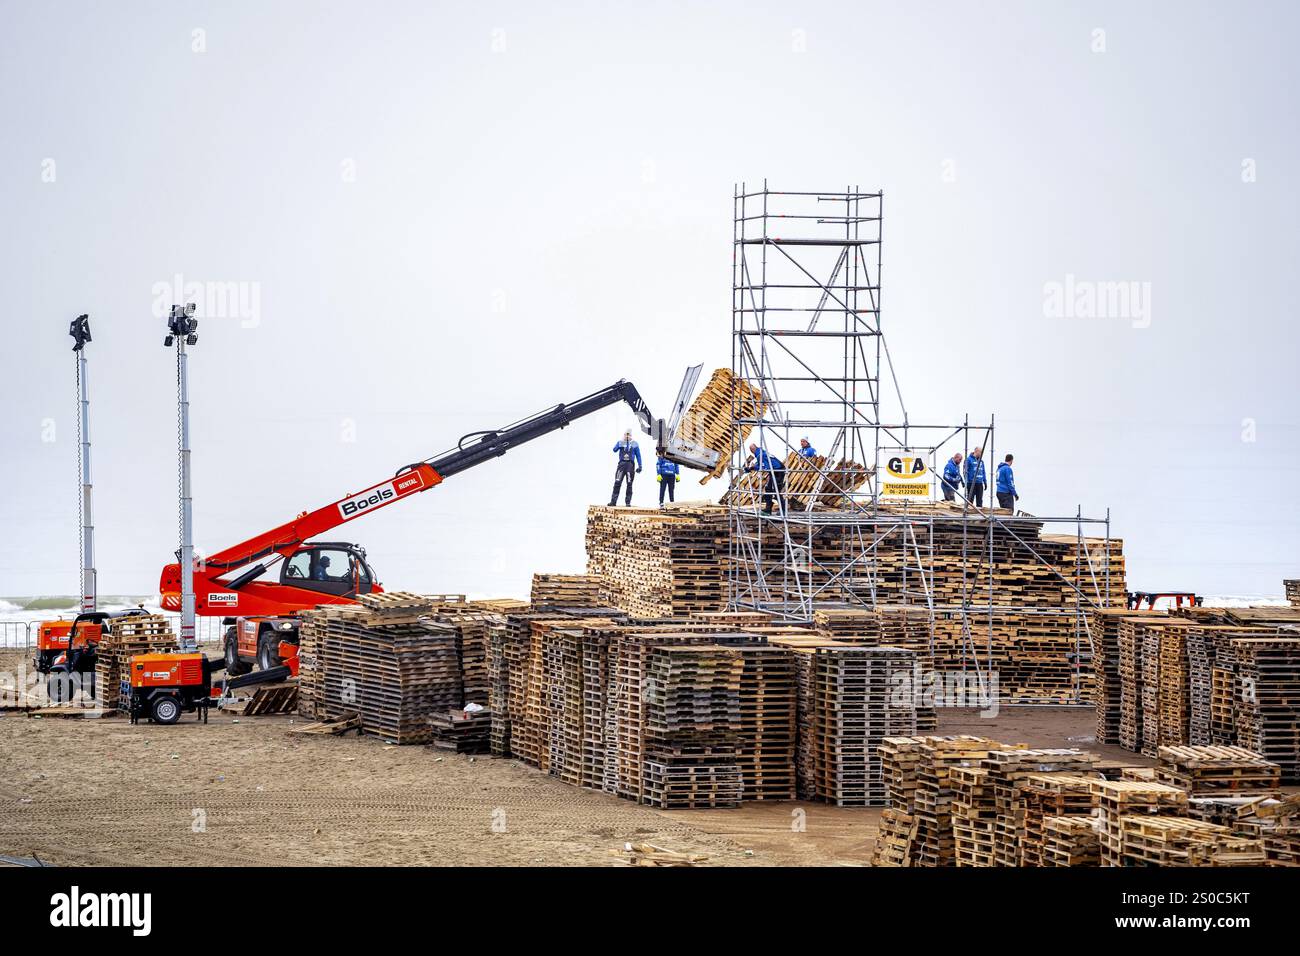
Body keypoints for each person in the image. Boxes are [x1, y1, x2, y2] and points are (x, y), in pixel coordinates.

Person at [745, 442, 786, 515]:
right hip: (775, 470)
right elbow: (761, 464)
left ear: (751, 450)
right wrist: (752, 468)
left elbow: (764, 467)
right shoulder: (761, 453)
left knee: (775, 490)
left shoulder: (760, 455)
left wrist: (752, 468)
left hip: (778, 471)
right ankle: (768, 509)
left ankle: (783, 510)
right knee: (768, 489)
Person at [608, 429, 642, 506]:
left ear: (631, 436)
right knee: (617, 482)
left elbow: (638, 455)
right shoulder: (620, 442)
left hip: (630, 465)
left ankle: (628, 502)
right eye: (626, 435)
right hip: (621, 465)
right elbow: (614, 450)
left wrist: (640, 466)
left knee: (629, 483)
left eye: (629, 435)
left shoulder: (635, 443)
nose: (627, 436)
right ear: (623, 435)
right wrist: (620, 443)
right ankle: (613, 501)